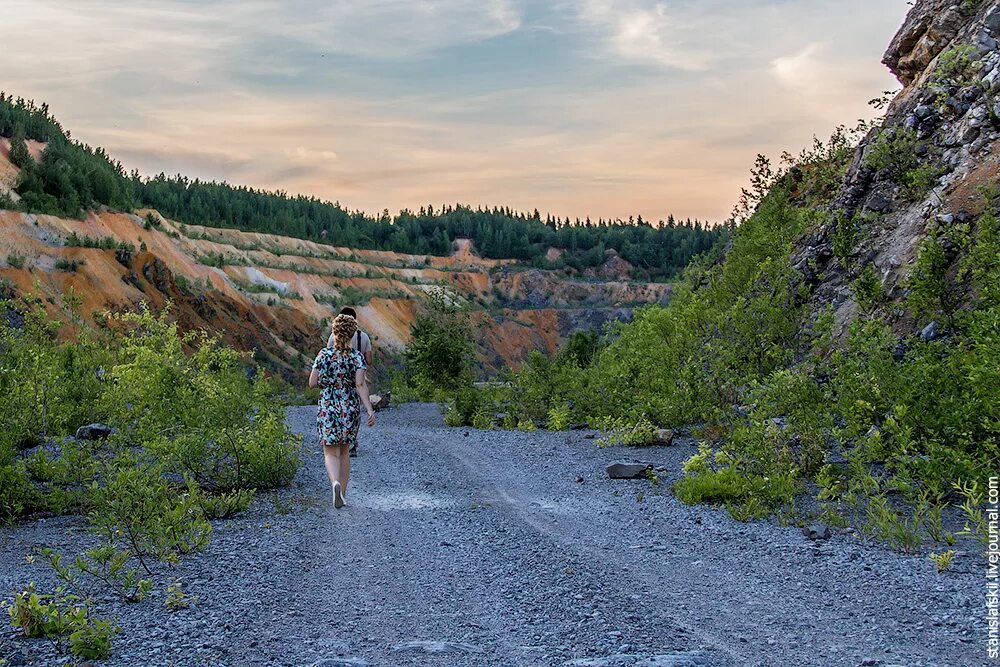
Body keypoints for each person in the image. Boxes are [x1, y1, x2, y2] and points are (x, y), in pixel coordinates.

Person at [309, 314, 376, 509]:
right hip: (349, 407)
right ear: (352, 334)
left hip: (328, 405)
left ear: (334, 332)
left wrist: (328, 382)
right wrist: (370, 410)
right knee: (345, 451)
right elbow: (360, 384)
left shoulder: (323, 355)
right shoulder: (357, 357)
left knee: (330, 452)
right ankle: (343, 494)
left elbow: (312, 383)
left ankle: (334, 484)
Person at [327, 307, 373, 456]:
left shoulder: (332, 337)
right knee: (353, 412)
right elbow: (369, 360)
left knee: (338, 411)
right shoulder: (364, 337)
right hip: (357, 379)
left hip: (338, 381)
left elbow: (329, 358)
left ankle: (337, 440)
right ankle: (351, 442)